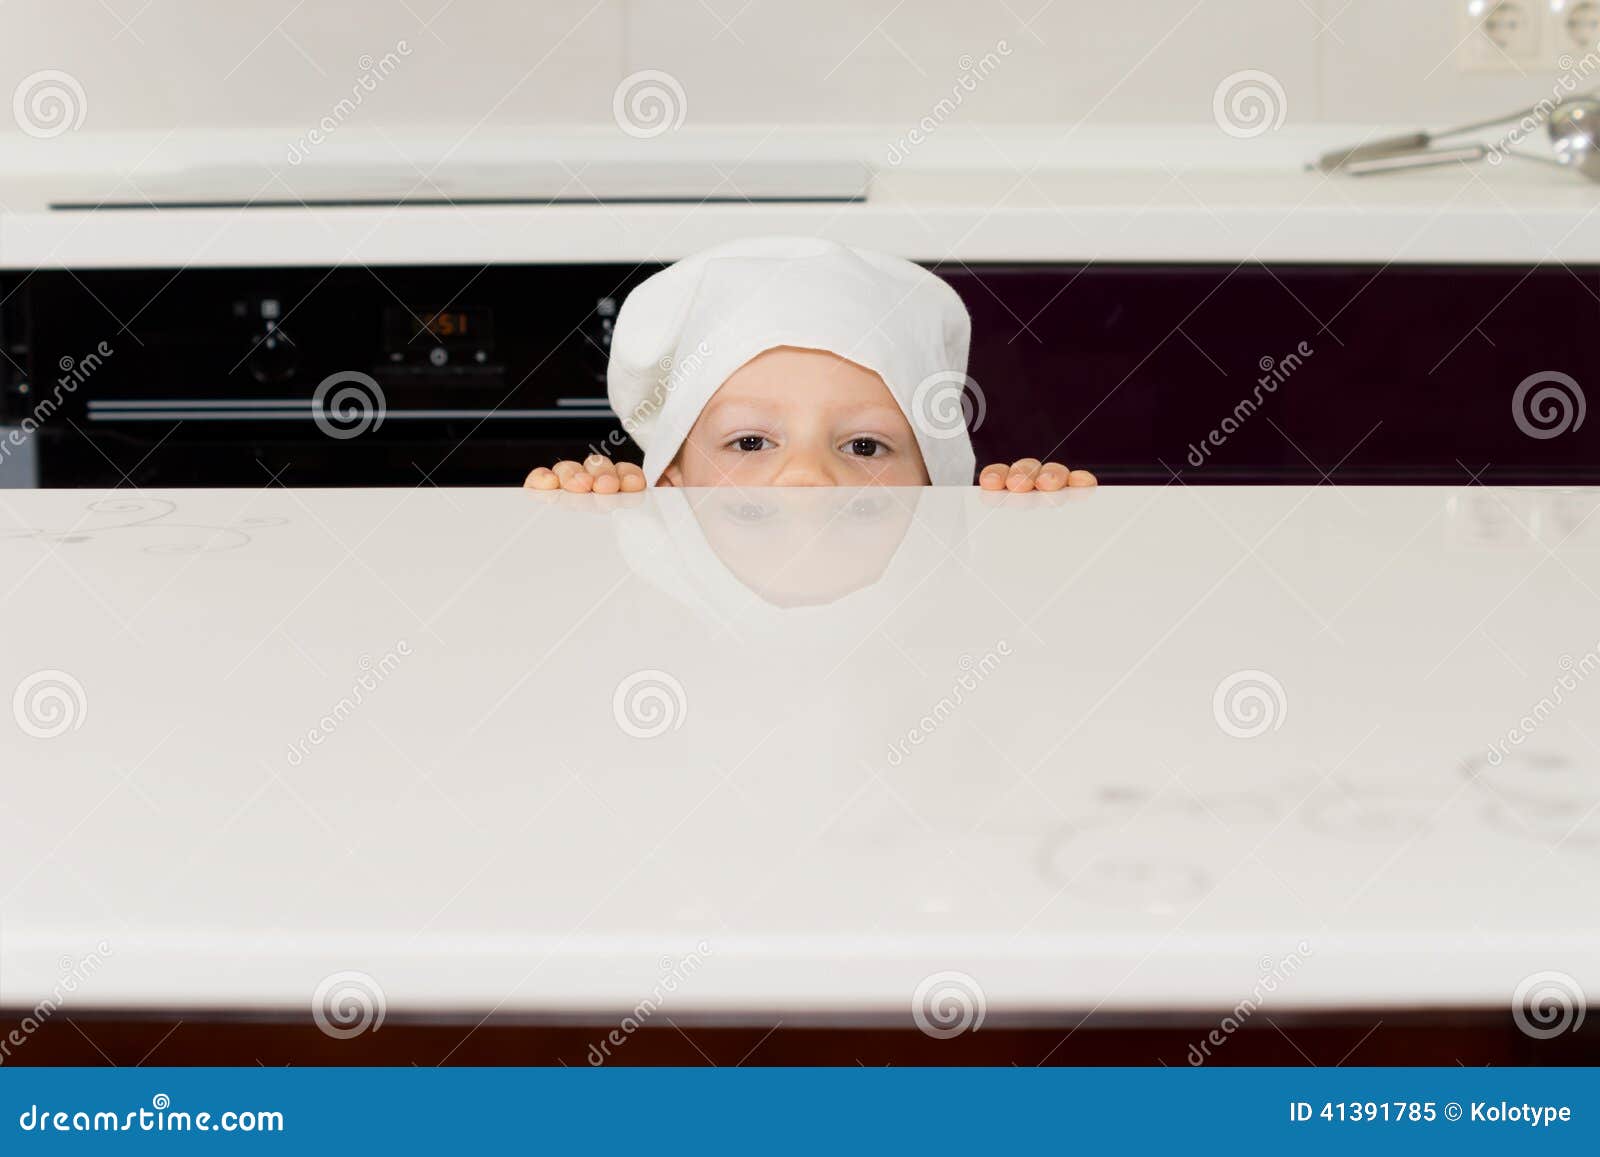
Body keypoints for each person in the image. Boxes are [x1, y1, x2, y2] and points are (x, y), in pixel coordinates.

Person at [523, 237, 1096, 495]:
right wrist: (600, 527)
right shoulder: (648, 610)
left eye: (865, 446)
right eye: (750, 443)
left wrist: (1031, 541)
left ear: (935, 483)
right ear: (672, 482)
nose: (807, 477)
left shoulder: (952, 613)